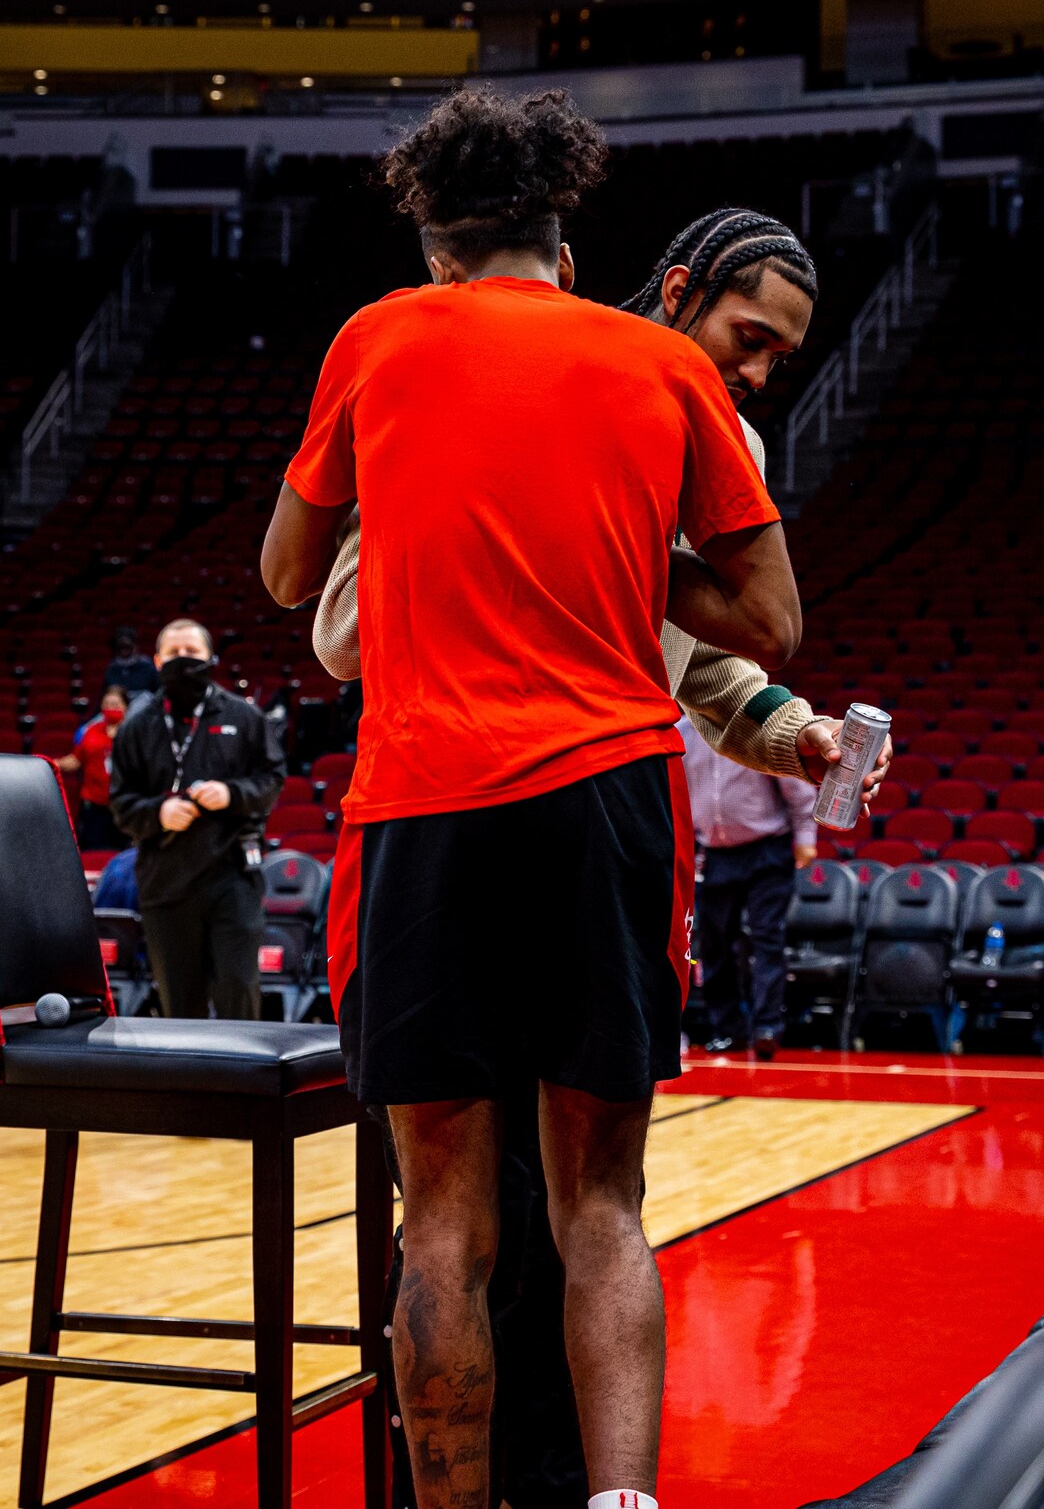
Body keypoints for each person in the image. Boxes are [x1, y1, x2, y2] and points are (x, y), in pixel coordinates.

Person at [261, 87, 801, 1509]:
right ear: (567, 240)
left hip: (425, 800)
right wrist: (619, 561)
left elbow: (280, 577)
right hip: (606, 798)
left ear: (439, 247)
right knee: (601, 1206)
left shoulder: (377, 338)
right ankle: (622, 1507)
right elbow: (770, 619)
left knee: (439, 1217)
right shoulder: (655, 365)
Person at [108, 618, 286, 1019]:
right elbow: (120, 803)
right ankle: (187, 1083)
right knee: (178, 1004)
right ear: (156, 661)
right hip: (165, 878)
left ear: (210, 659)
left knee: (237, 991)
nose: (182, 660)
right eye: (173, 653)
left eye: (192, 652)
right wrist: (158, 813)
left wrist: (231, 793)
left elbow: (272, 780)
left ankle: (242, 1081)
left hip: (232, 874)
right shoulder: (137, 726)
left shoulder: (245, 718)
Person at [680, 714, 816, 1058]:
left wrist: (805, 837)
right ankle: (728, 1029)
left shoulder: (755, 727)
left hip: (766, 847)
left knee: (766, 937)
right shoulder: (680, 732)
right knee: (713, 943)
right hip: (712, 851)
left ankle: (767, 1026)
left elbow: (798, 790)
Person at [55, 685, 131, 850]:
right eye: (107, 705)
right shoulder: (90, 731)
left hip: (124, 803)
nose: (111, 709)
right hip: (94, 803)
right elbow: (76, 760)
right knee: (95, 851)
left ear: (126, 707)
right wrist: (54, 764)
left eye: (116, 705)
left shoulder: (134, 732)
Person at [102, 626, 159, 702]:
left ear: (135, 645)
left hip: (146, 710)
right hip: (119, 710)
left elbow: (157, 694)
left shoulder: (147, 667)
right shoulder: (112, 669)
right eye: (121, 647)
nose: (124, 650)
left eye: (127, 647)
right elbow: (105, 697)